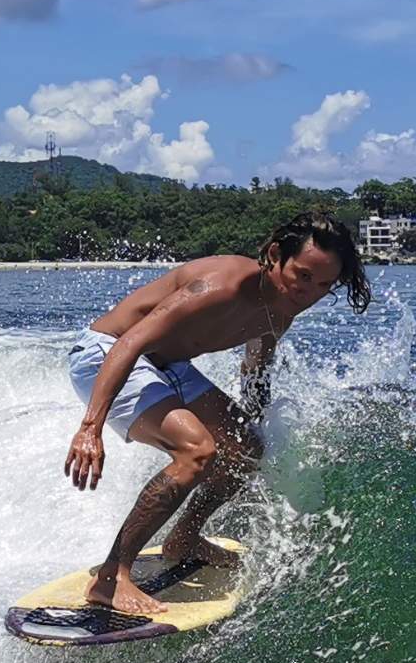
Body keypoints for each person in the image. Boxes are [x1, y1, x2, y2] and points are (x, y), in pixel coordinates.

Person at [62, 212, 370, 614]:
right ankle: (110, 578)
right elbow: (130, 342)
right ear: (275, 255)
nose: (309, 292)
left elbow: (256, 368)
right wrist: (90, 428)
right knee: (197, 450)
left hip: (168, 366)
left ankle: (184, 539)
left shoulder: (284, 307)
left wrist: (252, 426)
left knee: (246, 449)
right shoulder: (220, 287)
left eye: (324, 285)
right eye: (303, 275)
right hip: (105, 355)